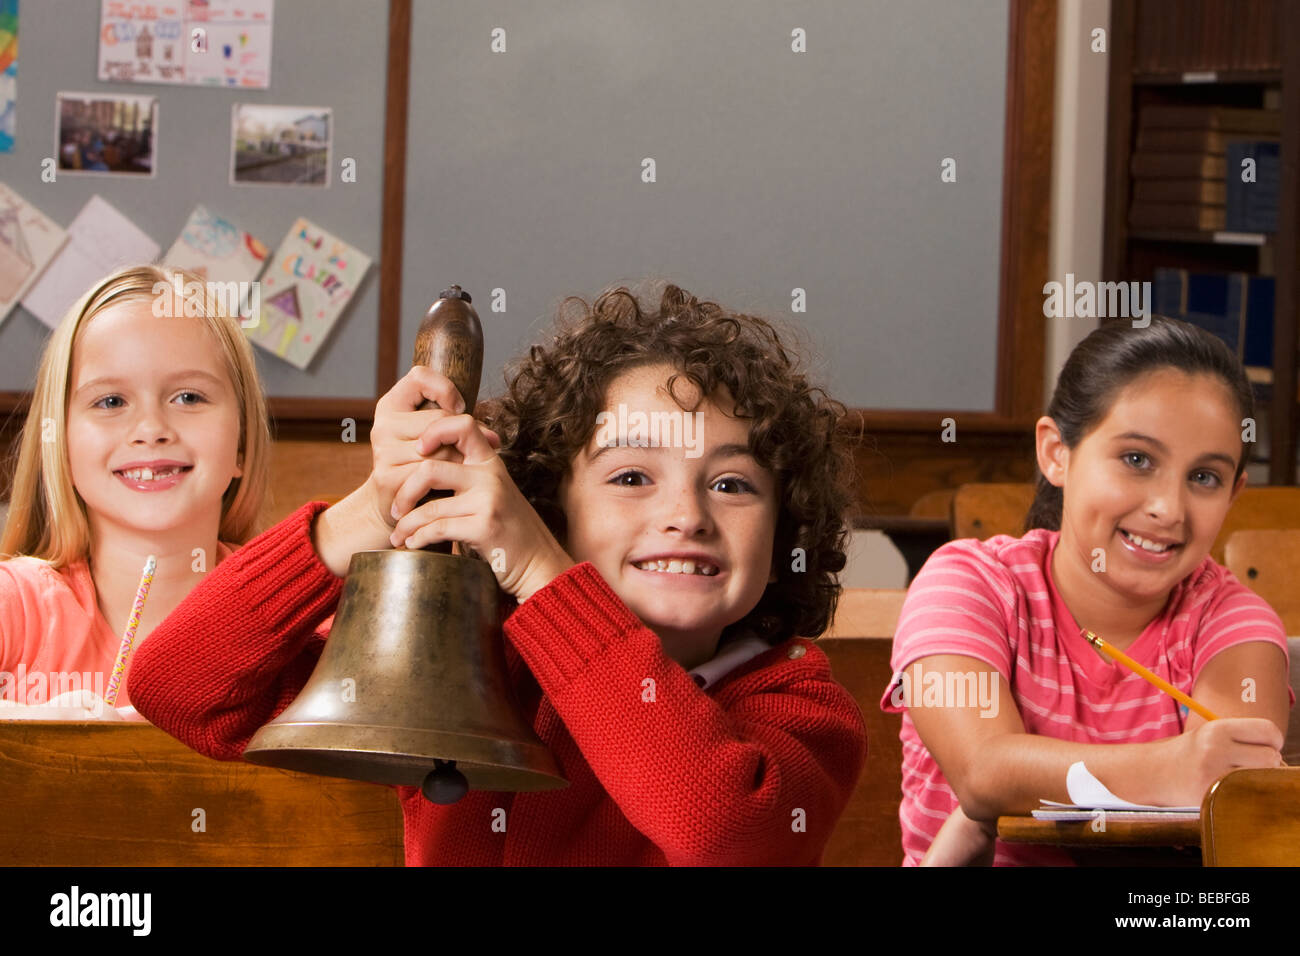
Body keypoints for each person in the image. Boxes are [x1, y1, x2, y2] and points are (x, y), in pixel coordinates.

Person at [129, 282, 867, 864]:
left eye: (732, 484)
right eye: (632, 477)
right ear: (550, 506)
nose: (687, 515)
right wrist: (373, 510)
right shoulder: (470, 677)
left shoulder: (802, 707)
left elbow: (717, 828)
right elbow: (180, 685)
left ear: (787, 523)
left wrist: (544, 572)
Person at [882, 316, 1291, 866]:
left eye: (1204, 477)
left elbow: (1227, 818)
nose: (1167, 508)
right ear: (1056, 452)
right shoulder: (966, 582)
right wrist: (1173, 769)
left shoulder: (1237, 622)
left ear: (1234, 492)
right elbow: (983, 774)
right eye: (1137, 459)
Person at [0, 265, 270, 718]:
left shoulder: (298, 625)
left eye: (188, 397)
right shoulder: (15, 607)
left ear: (241, 442)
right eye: (110, 402)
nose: (151, 429)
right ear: (61, 449)